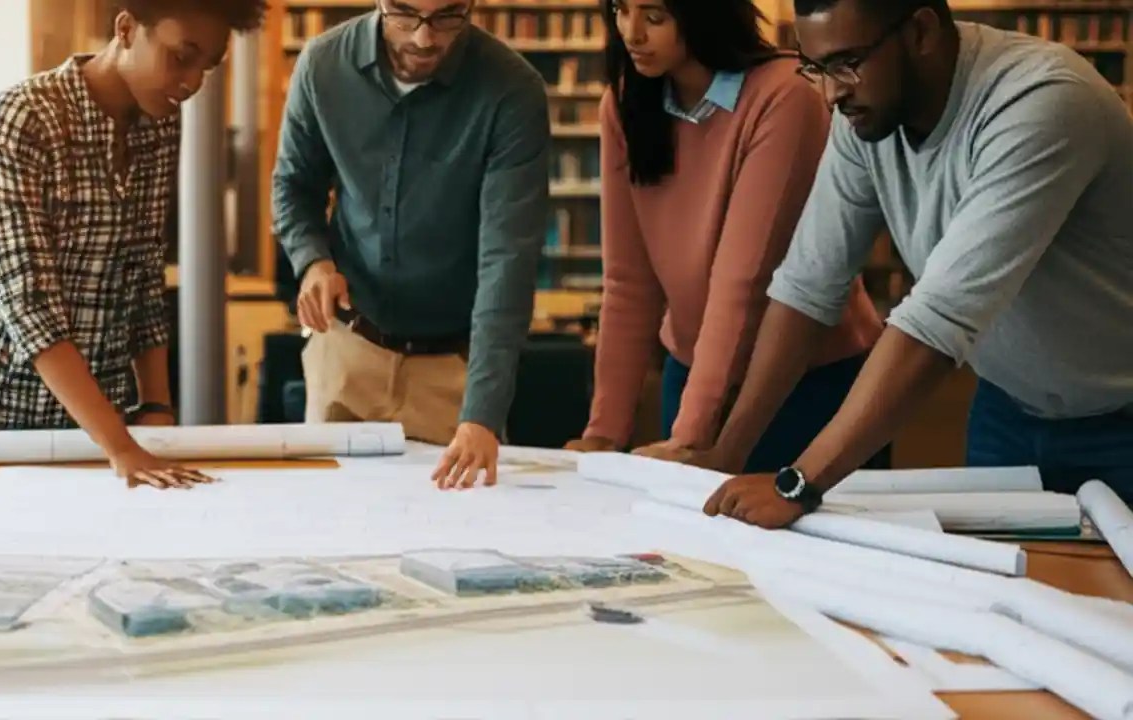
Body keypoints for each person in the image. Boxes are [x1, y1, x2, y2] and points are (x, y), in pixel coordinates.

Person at [699, 0, 1133, 527]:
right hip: (1008, 408)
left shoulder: (1042, 101)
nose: (831, 93)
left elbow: (938, 318)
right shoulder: (868, 113)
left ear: (922, 31)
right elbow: (807, 287)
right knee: (1002, 597)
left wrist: (798, 483)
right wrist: (723, 458)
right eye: (815, 67)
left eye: (846, 62)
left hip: (1121, 422)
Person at [0, 0, 271, 489]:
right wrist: (121, 446)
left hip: (86, 427)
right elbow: (29, 307)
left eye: (206, 66)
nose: (192, 82)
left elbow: (143, 272)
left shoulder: (159, 121)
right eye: (180, 57)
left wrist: (156, 407)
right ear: (125, 29)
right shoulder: (24, 118)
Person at [563, 0, 881, 471]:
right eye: (620, 10)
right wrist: (605, 432)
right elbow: (628, 281)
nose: (631, 33)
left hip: (806, 385)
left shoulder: (784, 94)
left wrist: (692, 436)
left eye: (654, 16)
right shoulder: (626, 102)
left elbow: (744, 279)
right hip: (691, 373)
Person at [273, 0, 550, 490]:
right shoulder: (321, 65)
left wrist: (482, 415)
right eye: (403, 14)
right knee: (331, 527)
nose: (424, 39)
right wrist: (313, 261)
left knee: (458, 534)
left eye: (447, 16)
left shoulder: (512, 89)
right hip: (348, 349)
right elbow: (294, 186)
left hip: (452, 369)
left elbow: (507, 259)